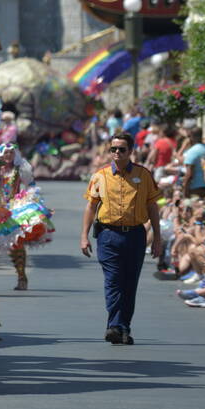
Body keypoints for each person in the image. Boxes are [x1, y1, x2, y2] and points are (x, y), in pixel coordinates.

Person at [81, 131, 163, 344]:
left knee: (129, 283)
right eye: (113, 149)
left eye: (121, 149)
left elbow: (152, 206)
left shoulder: (143, 175)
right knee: (113, 281)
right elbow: (91, 206)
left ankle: (123, 326)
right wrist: (84, 236)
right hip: (108, 235)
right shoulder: (100, 175)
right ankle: (115, 325)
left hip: (135, 235)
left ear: (131, 151)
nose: (117, 153)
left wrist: (158, 238)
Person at [0, 144, 53, 290]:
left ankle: (22, 277)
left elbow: (31, 186)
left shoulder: (20, 169)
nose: (8, 155)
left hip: (14, 209)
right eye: (6, 152)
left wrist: (30, 198)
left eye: (11, 152)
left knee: (17, 244)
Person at [180, 128, 205, 198]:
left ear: (191, 137)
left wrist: (185, 191)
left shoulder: (192, 151)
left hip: (196, 188)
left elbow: (189, 174)